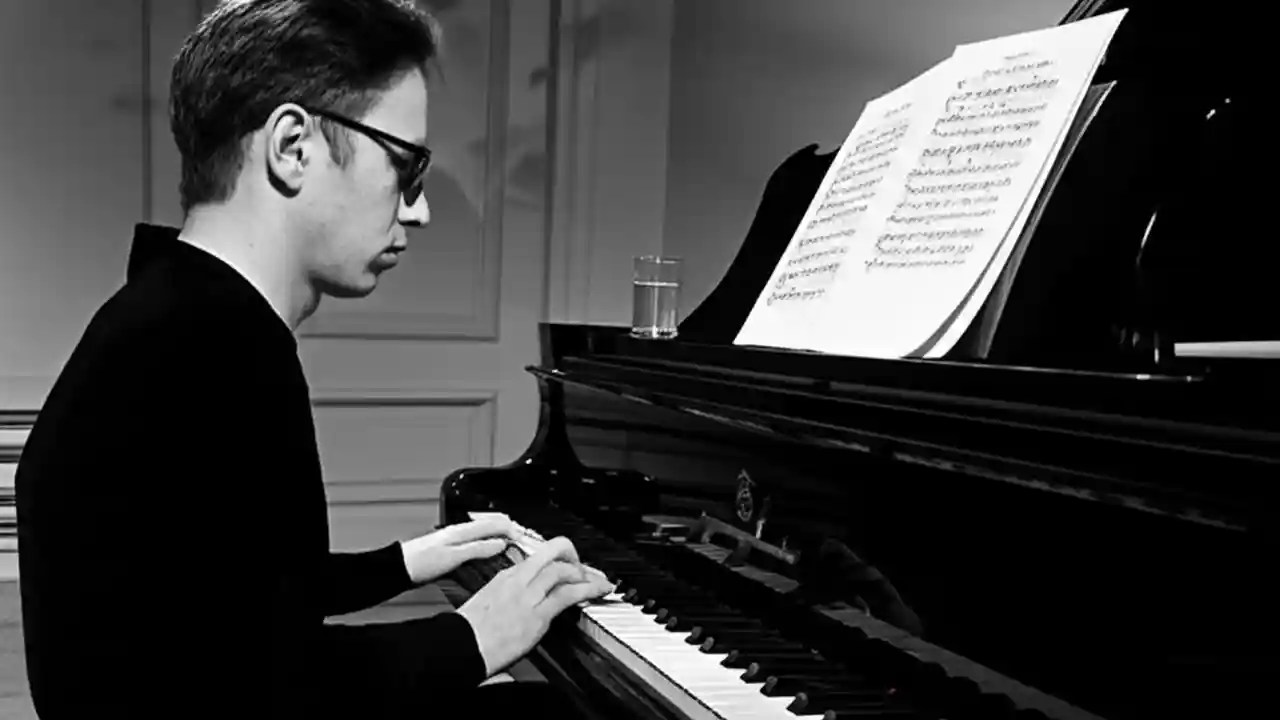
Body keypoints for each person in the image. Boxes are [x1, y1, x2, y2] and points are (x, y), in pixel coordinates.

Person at [13, 0, 612, 718]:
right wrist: (477, 636)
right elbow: (264, 687)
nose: (418, 210)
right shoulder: (219, 351)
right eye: (406, 164)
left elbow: (219, 594)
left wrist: (407, 561)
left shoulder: (170, 319)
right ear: (293, 146)